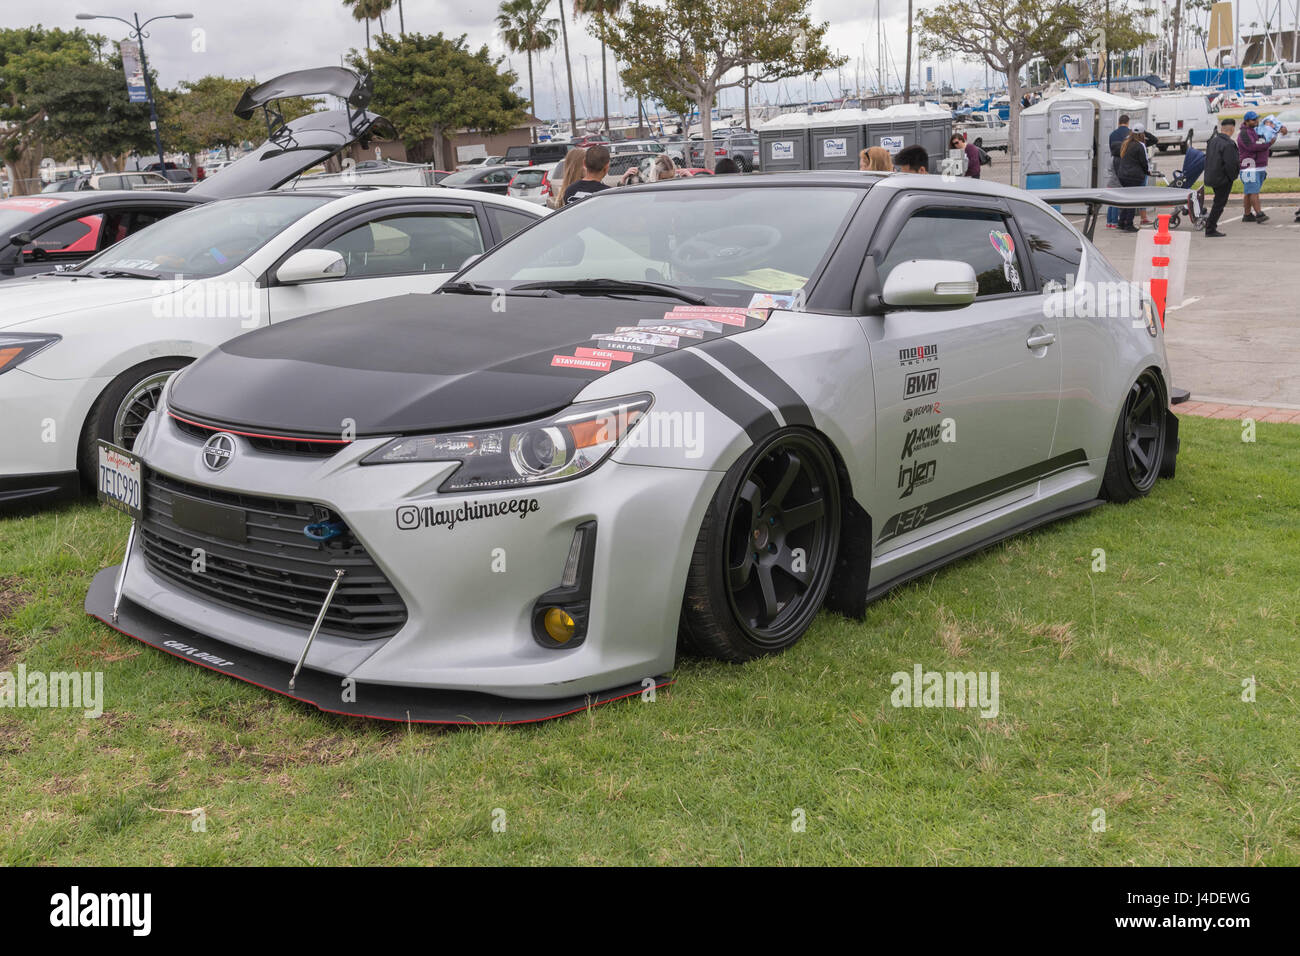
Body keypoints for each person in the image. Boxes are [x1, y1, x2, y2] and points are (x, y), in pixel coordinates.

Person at [1203, 117, 1240, 238]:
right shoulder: (1229, 144)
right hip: (1223, 178)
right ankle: (1210, 228)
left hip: (1212, 176)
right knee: (1219, 204)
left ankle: (1210, 226)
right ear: (1232, 129)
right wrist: (1232, 177)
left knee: (1217, 202)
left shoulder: (1213, 141)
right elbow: (1231, 164)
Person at [1237, 111, 1271, 223]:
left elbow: (1263, 140)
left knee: (1249, 192)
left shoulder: (1255, 131)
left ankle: (1247, 215)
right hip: (1249, 166)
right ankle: (1259, 214)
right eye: (1253, 119)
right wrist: (1268, 144)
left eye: (1257, 119)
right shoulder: (1244, 133)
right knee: (1253, 191)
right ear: (1246, 122)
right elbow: (1252, 146)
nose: (1256, 121)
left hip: (1258, 167)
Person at [1116, 124, 1149, 233]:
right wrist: (1146, 172)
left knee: (1126, 199)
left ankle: (1121, 222)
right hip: (1133, 176)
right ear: (1141, 134)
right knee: (1132, 200)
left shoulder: (1126, 143)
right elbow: (1144, 162)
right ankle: (1129, 224)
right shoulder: (1139, 146)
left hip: (1123, 175)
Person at [1106, 113, 1131, 229]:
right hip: (1122, 166)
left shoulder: (1112, 134)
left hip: (1111, 175)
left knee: (1110, 200)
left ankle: (1109, 221)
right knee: (1117, 199)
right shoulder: (1130, 133)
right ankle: (1115, 222)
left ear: (1119, 122)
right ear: (1128, 122)